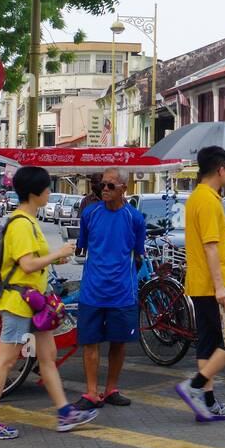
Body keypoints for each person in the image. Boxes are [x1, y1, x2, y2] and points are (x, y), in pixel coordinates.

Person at [0, 165, 95, 439]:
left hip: (35, 302)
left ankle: (65, 413)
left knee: (47, 357)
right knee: (5, 361)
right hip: (19, 302)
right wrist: (58, 254)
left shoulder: (28, 222)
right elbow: (27, 265)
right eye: (47, 188)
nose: (50, 193)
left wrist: (55, 257)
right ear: (35, 192)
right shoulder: (20, 224)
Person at [174, 145, 225, 422]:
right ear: (221, 169)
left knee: (208, 344)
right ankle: (193, 387)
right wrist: (220, 286)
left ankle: (207, 404)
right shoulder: (208, 201)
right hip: (217, 284)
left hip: (199, 284)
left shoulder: (196, 198)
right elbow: (211, 247)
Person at [71, 167, 145, 411]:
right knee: (90, 342)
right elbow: (82, 246)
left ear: (124, 188)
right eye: (102, 185)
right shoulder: (90, 214)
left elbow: (137, 253)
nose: (104, 189)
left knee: (119, 342)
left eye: (110, 186)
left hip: (122, 291)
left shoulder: (135, 218)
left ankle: (111, 388)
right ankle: (92, 392)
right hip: (92, 289)